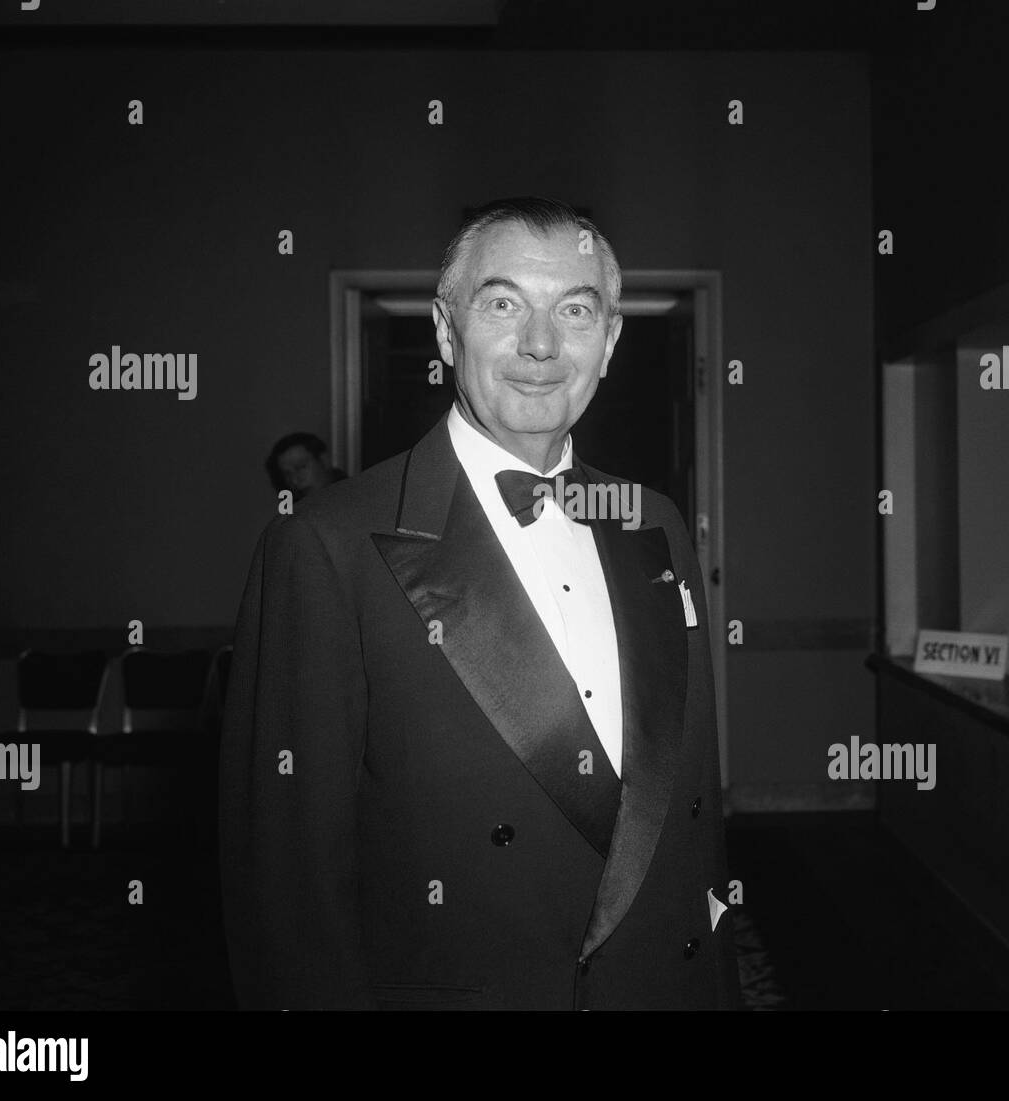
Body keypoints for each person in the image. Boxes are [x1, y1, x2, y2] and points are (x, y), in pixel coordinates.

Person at [219, 196, 740, 1010]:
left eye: (574, 309)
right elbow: (288, 887)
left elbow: (692, 828)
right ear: (445, 330)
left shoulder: (657, 524)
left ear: (608, 342)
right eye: (503, 304)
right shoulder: (325, 546)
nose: (540, 344)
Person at [264, 431, 347, 501]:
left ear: (324, 460)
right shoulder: (293, 510)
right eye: (287, 474)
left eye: (300, 467)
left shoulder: (351, 496)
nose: (294, 481)